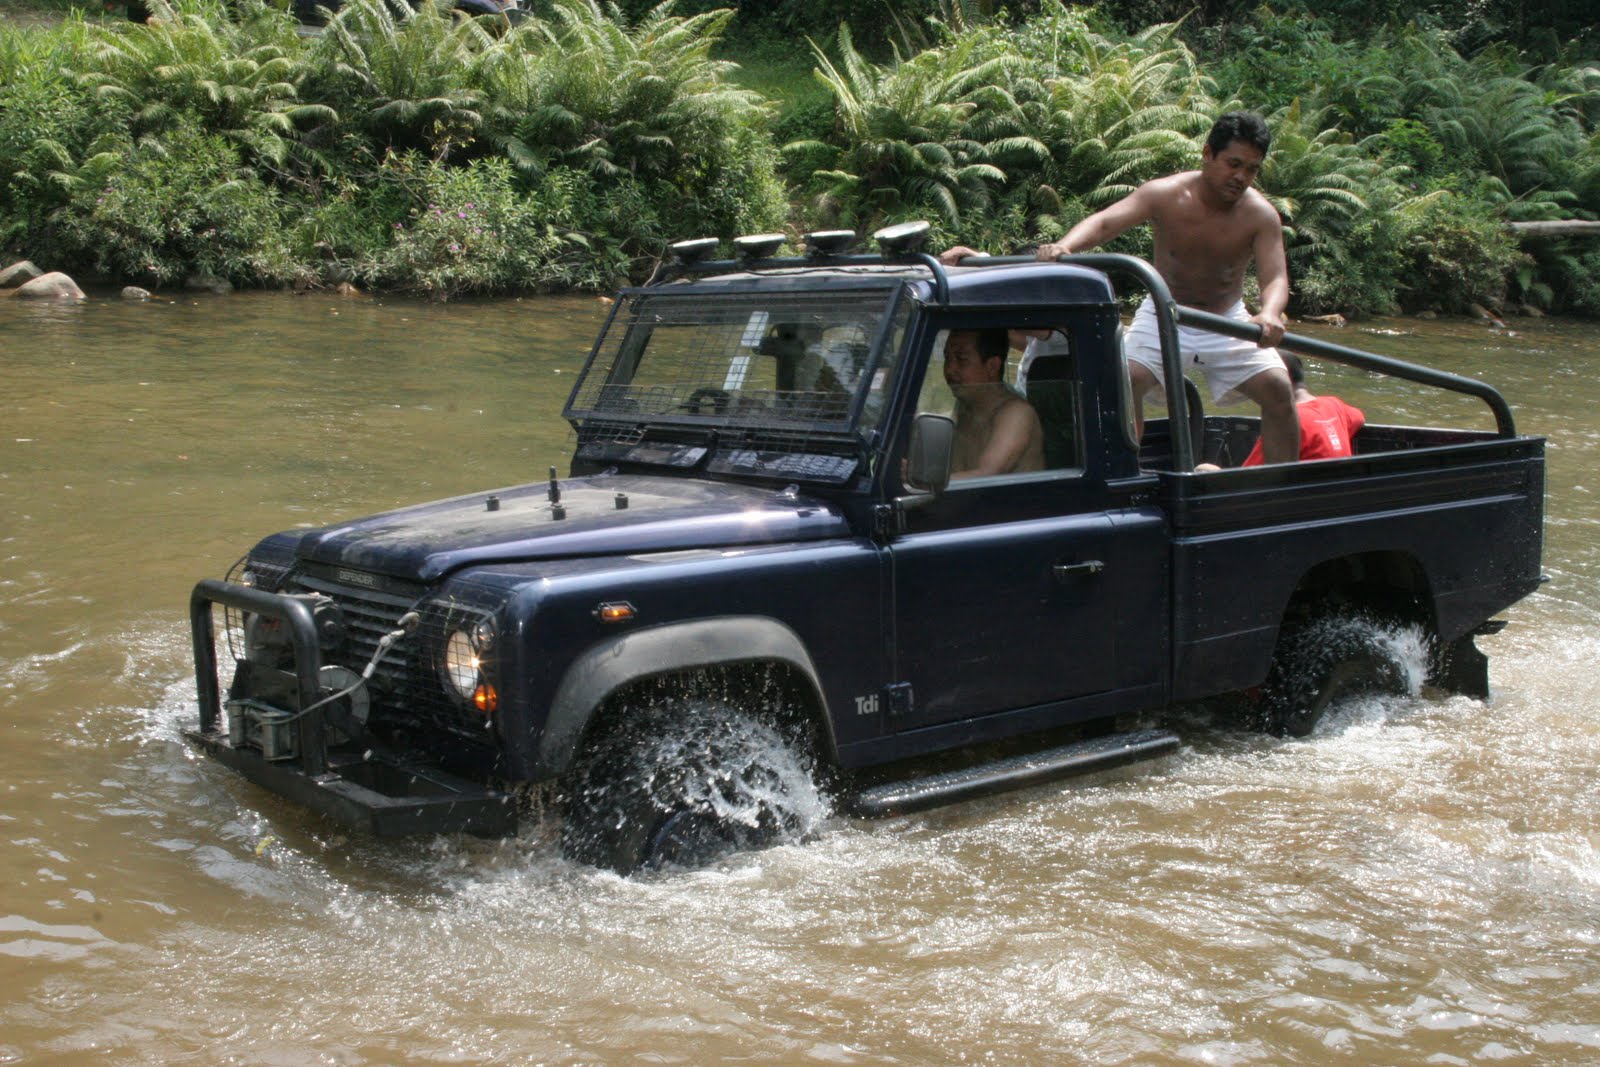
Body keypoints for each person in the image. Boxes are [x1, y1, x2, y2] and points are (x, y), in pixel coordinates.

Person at [942, 111, 1299, 463]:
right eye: (1233, 164)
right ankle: (1129, 474)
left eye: (1251, 169)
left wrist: (1269, 313)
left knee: (1280, 390)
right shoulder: (1166, 194)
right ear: (1208, 154)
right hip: (1165, 311)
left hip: (1227, 318)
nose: (1241, 177)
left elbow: (1275, 277)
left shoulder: (1260, 214)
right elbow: (1105, 223)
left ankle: (1279, 490)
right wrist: (1066, 246)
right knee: (1124, 381)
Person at [943, 328, 1044, 478]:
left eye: (961, 359)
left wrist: (921, 482)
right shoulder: (966, 407)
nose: (950, 370)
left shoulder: (1016, 414)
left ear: (992, 366)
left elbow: (986, 475)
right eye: (947, 358)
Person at [1238, 352, 1363, 466]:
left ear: (1279, 378)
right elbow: (1359, 419)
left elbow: (1248, 475)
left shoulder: (1284, 420)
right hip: (1335, 485)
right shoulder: (1334, 404)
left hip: (1301, 488)